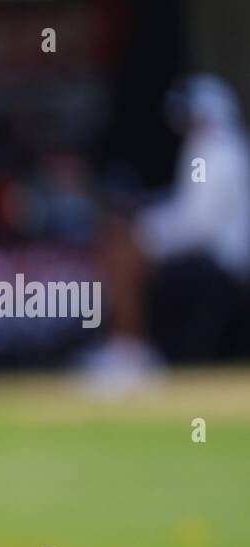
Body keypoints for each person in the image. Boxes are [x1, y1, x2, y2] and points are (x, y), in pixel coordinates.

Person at [91, 74, 250, 390]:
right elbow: (188, 209)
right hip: (210, 254)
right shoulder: (212, 147)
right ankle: (126, 346)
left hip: (222, 261)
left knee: (127, 255)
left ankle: (131, 352)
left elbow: (201, 225)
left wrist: (148, 233)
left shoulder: (218, 152)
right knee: (126, 245)